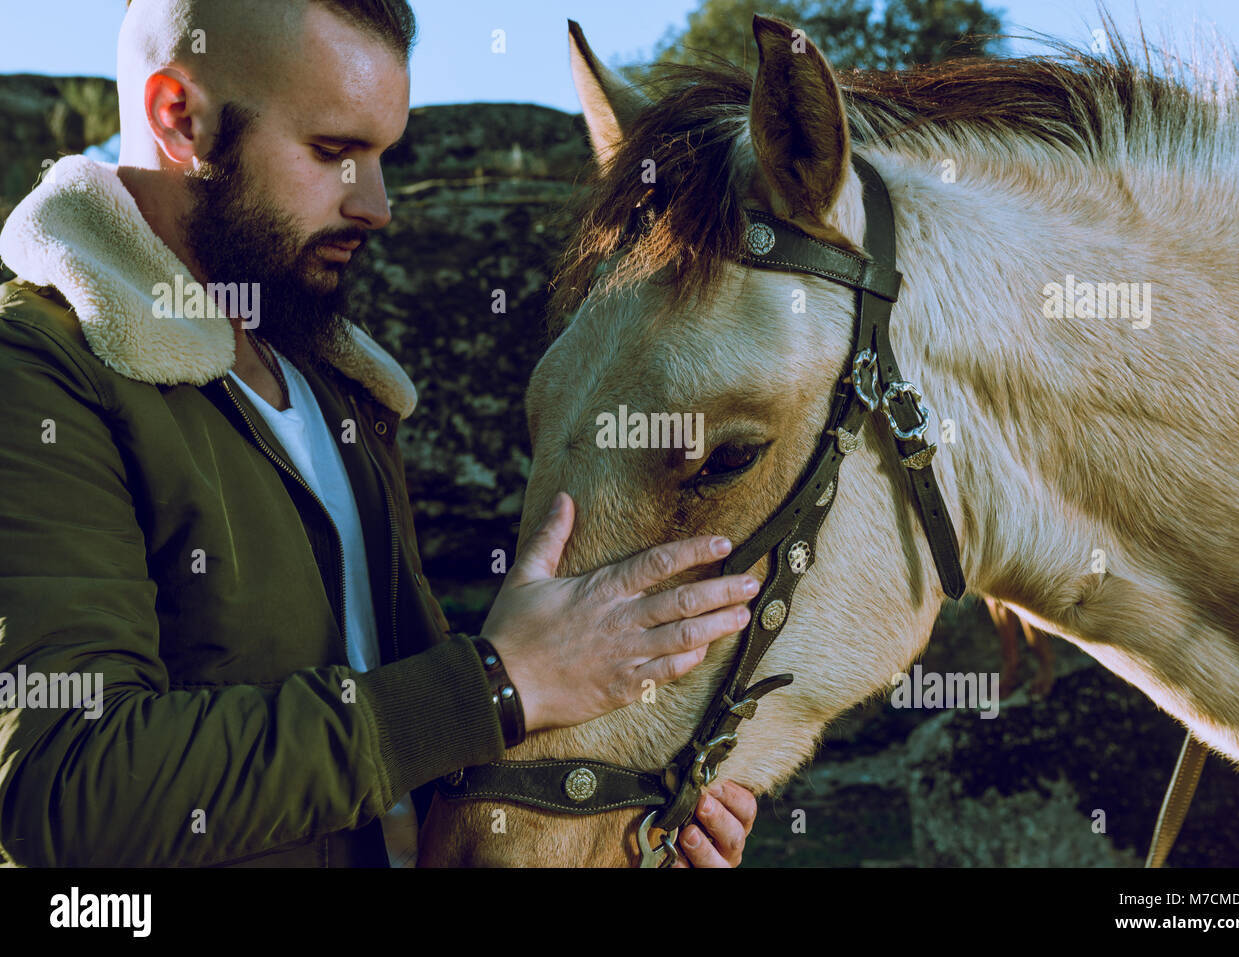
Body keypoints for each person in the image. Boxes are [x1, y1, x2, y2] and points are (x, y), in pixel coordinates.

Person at [0, 0, 757, 867]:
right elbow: (68, 794)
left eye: (383, 154)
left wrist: (630, 824)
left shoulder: (337, 388)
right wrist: (499, 682)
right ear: (180, 117)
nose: (379, 205)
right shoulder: (33, 373)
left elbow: (416, 754)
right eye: (334, 152)